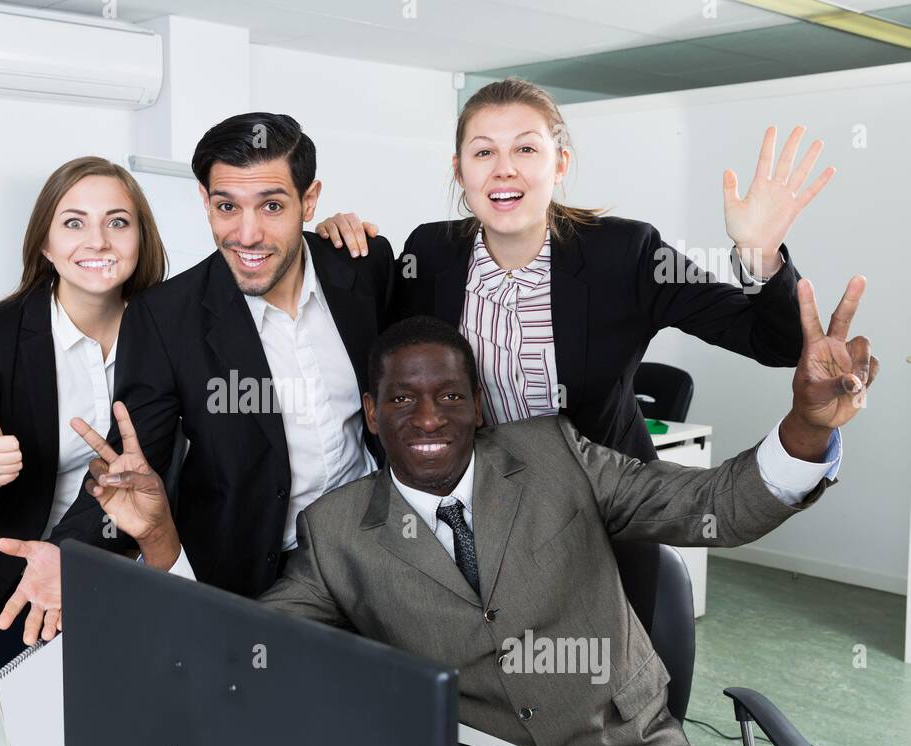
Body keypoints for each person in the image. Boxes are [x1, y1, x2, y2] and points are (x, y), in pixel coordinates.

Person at [11, 275, 875, 746]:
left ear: (480, 406)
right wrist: (161, 540)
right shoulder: (339, 529)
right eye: (402, 401)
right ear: (373, 419)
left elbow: (716, 503)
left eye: (451, 396)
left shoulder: (554, 454)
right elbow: (254, 652)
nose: (429, 417)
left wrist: (803, 424)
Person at [316, 77, 835, 629]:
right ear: (459, 170)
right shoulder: (430, 252)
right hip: (470, 518)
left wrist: (759, 254)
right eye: (483, 151)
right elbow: (385, 366)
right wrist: (337, 242)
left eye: (526, 148)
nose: (504, 167)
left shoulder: (626, 253)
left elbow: (771, 340)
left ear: (559, 162)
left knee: (610, 687)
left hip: (599, 515)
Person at [0, 113, 396, 645]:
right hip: (252, 574)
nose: (247, 234)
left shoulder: (364, 268)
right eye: (227, 206)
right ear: (206, 202)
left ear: (311, 199)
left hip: (374, 553)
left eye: (272, 205)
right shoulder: (166, 317)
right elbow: (134, 461)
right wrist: (69, 554)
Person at [0, 156, 167, 712]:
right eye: (73, 223)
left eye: (118, 222)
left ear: (141, 239)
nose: (97, 240)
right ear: (46, 247)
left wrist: (327, 234)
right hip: (4, 580)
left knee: (119, 739)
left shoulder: (169, 332)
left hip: (113, 567)